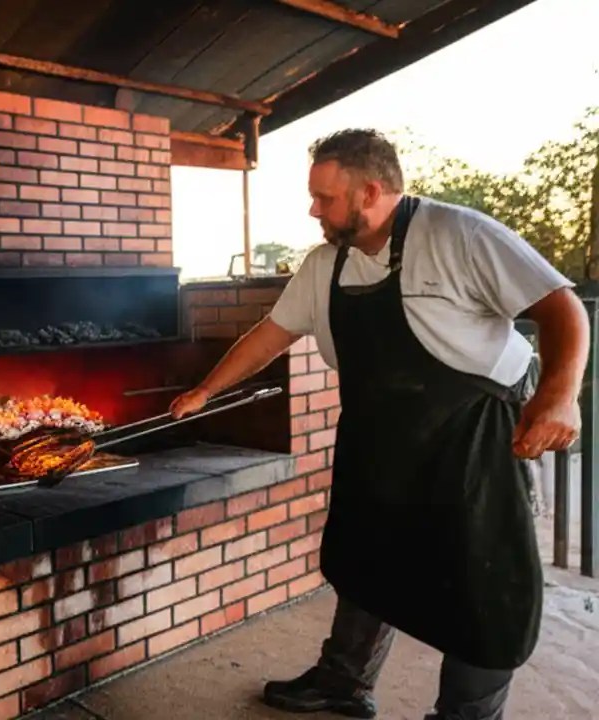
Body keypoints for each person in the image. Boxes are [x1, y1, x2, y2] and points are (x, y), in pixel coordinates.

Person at [169, 129, 589, 720]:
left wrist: (560, 397)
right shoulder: (324, 265)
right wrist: (206, 390)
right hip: (380, 434)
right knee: (366, 556)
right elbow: (272, 334)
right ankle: (344, 681)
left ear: (369, 192)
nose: (313, 210)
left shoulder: (459, 235)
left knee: (484, 585)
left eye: (324, 198)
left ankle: (466, 714)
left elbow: (562, 307)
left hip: (474, 433)